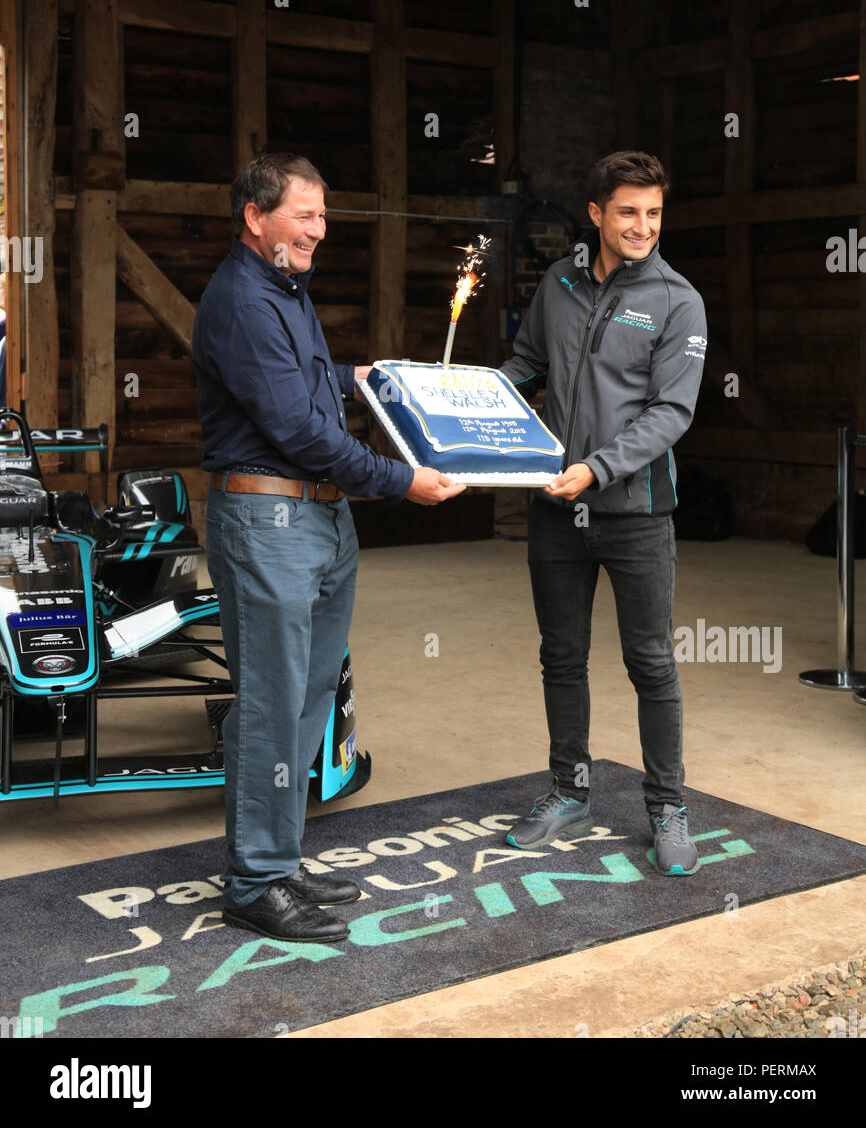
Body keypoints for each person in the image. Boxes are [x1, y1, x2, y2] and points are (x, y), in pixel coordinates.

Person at [192, 153, 463, 943]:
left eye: (322, 215)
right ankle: (254, 883)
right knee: (271, 707)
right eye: (303, 215)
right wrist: (399, 480)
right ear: (255, 217)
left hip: (316, 521)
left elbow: (303, 382)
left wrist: (359, 376)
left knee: (308, 697)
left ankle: (278, 860)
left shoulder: (284, 288)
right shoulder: (243, 300)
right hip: (269, 522)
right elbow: (298, 431)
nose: (318, 230)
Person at [499, 151, 707, 874]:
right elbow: (525, 365)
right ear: (596, 213)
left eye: (653, 213)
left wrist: (597, 468)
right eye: (627, 212)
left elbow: (671, 412)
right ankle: (569, 791)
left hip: (635, 512)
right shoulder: (558, 283)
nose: (642, 226)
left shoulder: (679, 301)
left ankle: (668, 808)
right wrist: (462, 404)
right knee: (561, 656)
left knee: (650, 662)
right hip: (556, 511)